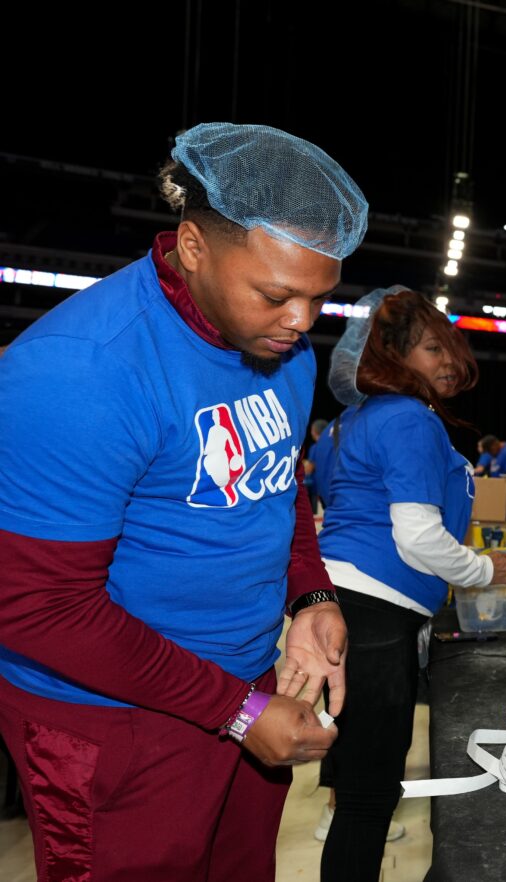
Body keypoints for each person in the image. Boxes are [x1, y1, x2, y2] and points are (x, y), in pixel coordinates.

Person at [0, 122, 364, 879]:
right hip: (113, 719)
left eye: (319, 298)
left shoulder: (279, 348)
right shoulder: (81, 372)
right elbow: (39, 609)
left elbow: (277, 484)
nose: (302, 322)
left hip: (243, 689)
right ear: (193, 246)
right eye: (277, 295)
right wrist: (234, 710)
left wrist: (310, 593)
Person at [313, 287, 506, 879]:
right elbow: (417, 537)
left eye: (449, 346)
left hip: (353, 604)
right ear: (391, 354)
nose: (448, 361)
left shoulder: (357, 420)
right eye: (432, 348)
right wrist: (483, 570)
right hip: (376, 610)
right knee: (369, 795)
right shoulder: (407, 417)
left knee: (360, 785)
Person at [303, 417, 331, 511]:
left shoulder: (316, 447)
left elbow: (309, 469)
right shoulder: (336, 444)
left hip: (321, 490)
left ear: (313, 431)